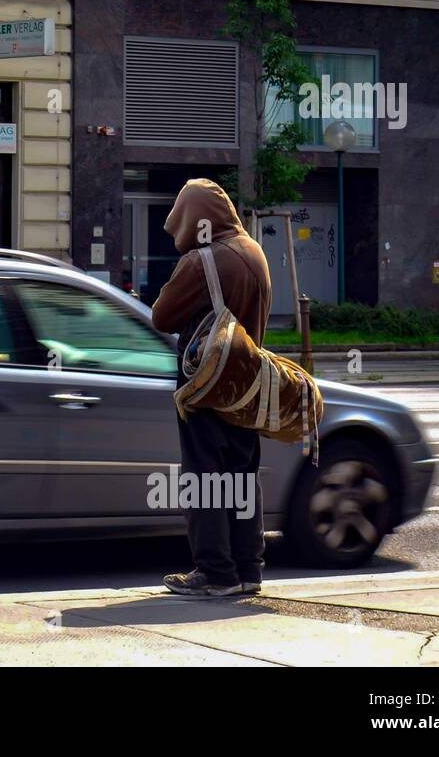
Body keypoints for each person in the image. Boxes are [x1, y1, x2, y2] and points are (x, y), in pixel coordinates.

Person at [151, 178, 272, 597]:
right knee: (242, 474)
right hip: (247, 380)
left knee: (203, 476)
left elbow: (161, 317)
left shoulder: (203, 261)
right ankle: (249, 570)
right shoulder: (253, 251)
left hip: (205, 384)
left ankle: (215, 572)